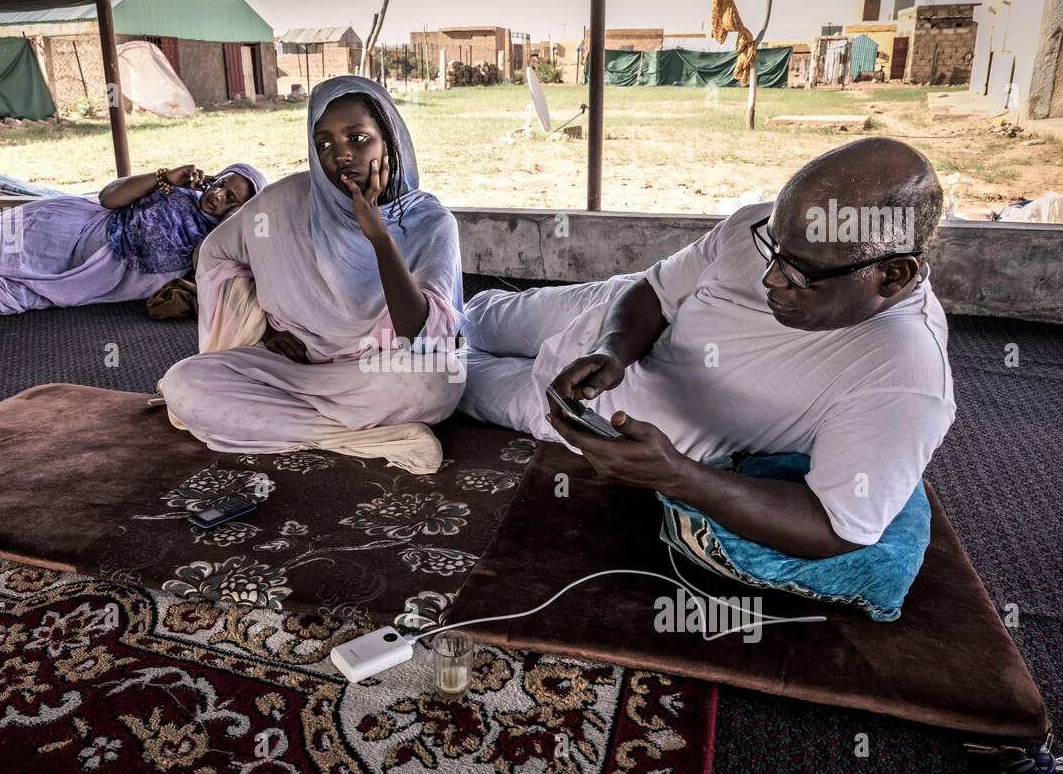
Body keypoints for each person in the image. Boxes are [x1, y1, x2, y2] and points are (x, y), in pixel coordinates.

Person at [459, 137, 955, 558]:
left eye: (799, 272)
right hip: (605, 314)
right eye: (773, 250)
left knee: (443, 374)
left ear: (892, 275)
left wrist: (678, 476)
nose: (769, 277)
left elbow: (836, 527)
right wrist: (613, 351)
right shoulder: (771, 228)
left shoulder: (906, 375)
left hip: (591, 411)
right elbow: (653, 290)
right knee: (471, 316)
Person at [160, 76, 464, 474]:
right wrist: (261, 331)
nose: (341, 156)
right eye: (324, 144)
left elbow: (420, 337)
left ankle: (285, 423)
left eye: (357, 138)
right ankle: (358, 437)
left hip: (379, 370)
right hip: (298, 370)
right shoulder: (285, 202)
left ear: (389, 140)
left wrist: (379, 236)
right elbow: (214, 253)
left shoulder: (430, 221)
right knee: (184, 382)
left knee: (438, 380)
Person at [0, 162, 266, 319]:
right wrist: (166, 176)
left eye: (231, 198)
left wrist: (230, 225)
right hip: (72, 228)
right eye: (219, 184)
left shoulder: (220, 240)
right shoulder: (178, 189)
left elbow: (208, 268)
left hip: (89, 279)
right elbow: (109, 197)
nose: (216, 195)